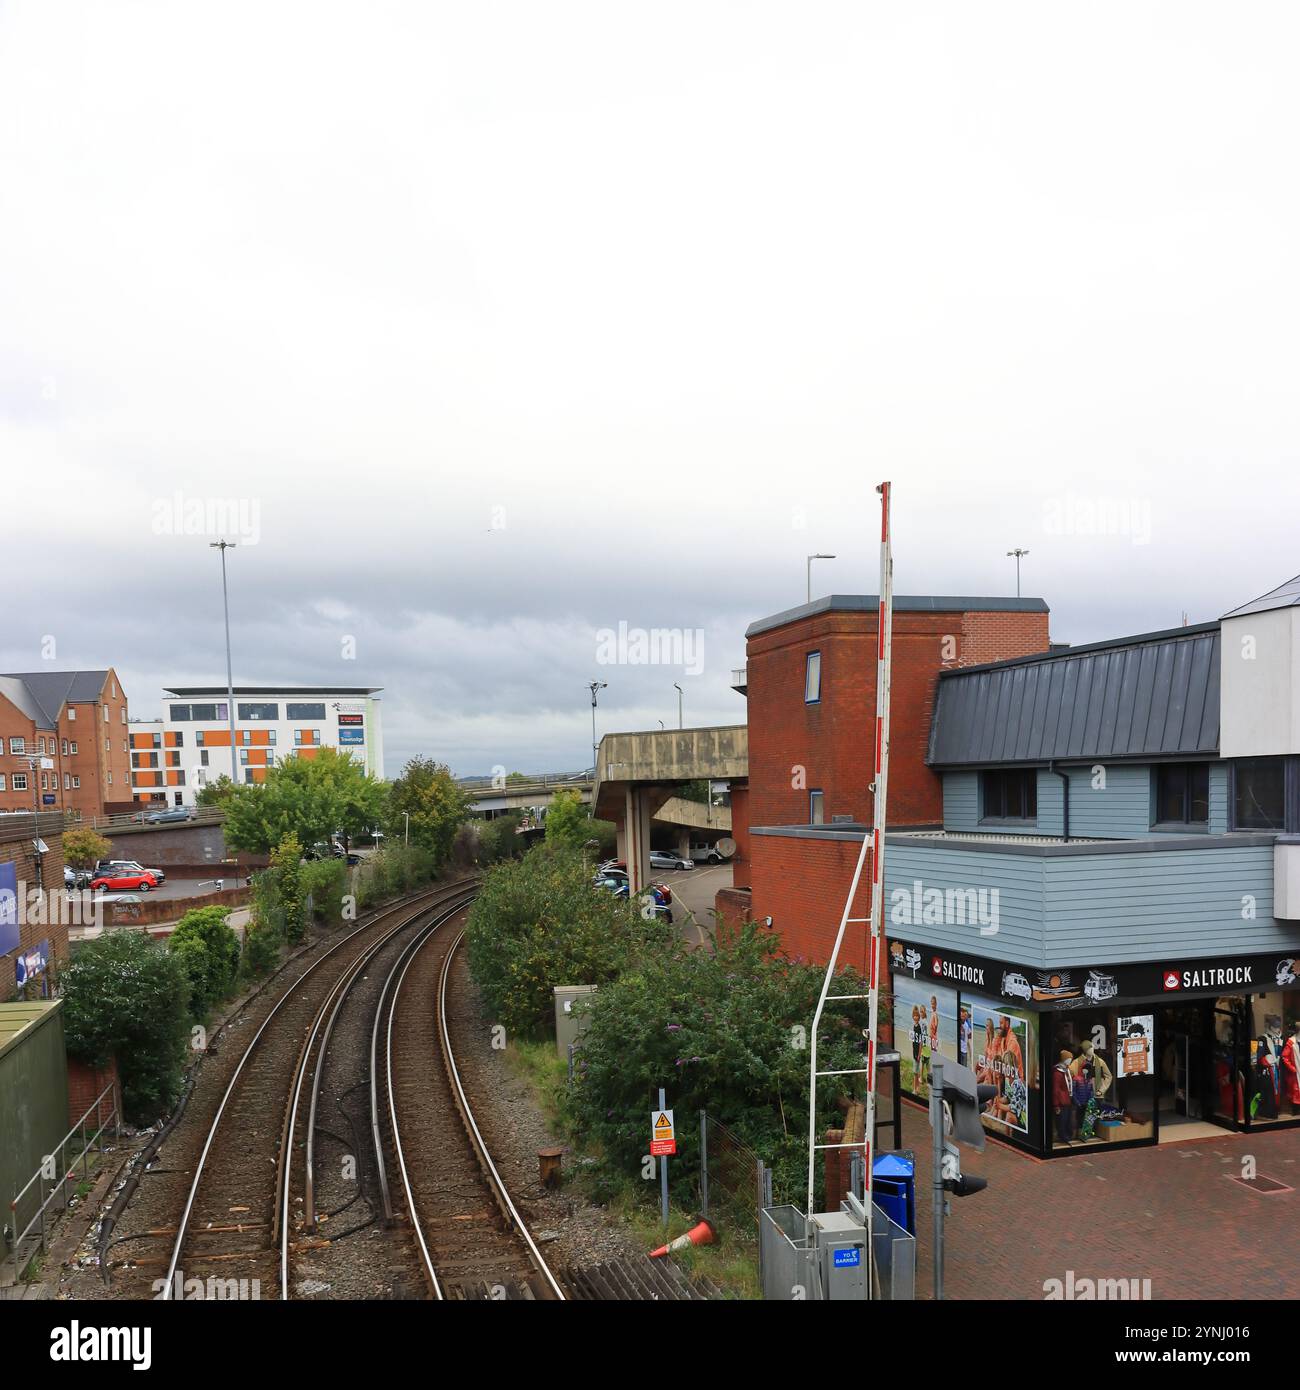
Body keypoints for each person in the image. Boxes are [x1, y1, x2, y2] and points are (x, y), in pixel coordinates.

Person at [1052, 1049, 1076, 1143]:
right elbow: (1055, 1090)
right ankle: (1063, 1136)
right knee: (1062, 1120)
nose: (1070, 1060)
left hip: (1068, 1099)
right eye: (1069, 1059)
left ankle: (1068, 1135)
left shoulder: (1067, 1070)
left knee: (1068, 1119)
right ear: (1064, 1059)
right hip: (1062, 1101)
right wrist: (1056, 1105)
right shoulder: (1057, 1073)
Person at [1282, 1021, 1300, 1116]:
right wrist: (1292, 1068)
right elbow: (1285, 1057)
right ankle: (1295, 1111)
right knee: (1295, 1092)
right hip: (1295, 1072)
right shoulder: (1291, 1042)